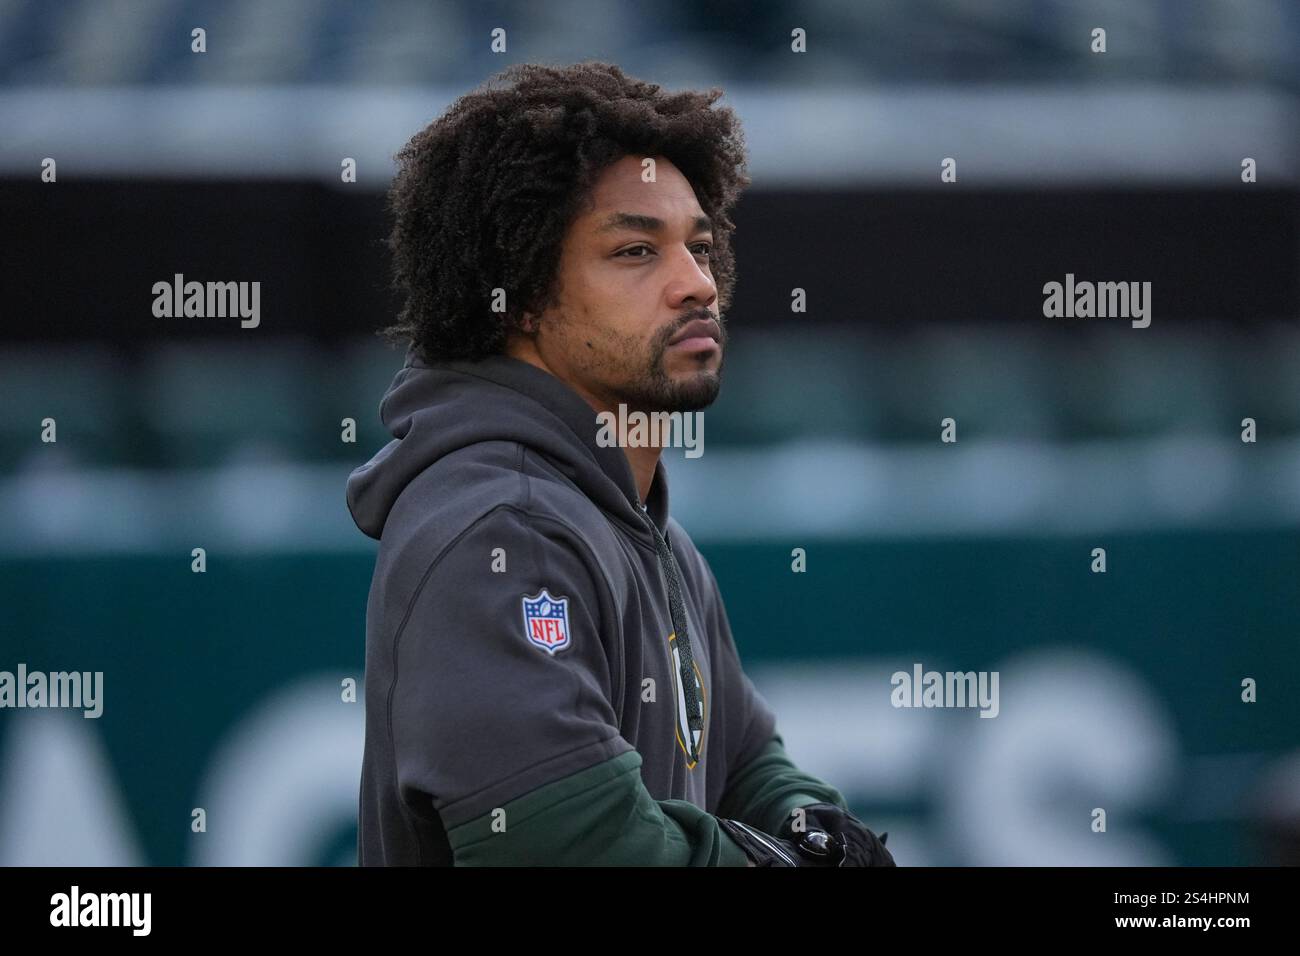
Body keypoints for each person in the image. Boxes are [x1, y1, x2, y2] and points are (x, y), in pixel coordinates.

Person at [347, 60, 894, 867]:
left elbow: (743, 761)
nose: (696, 285)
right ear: (522, 294)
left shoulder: (648, 532)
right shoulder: (504, 530)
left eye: (700, 247)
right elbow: (578, 848)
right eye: (637, 250)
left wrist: (817, 829)